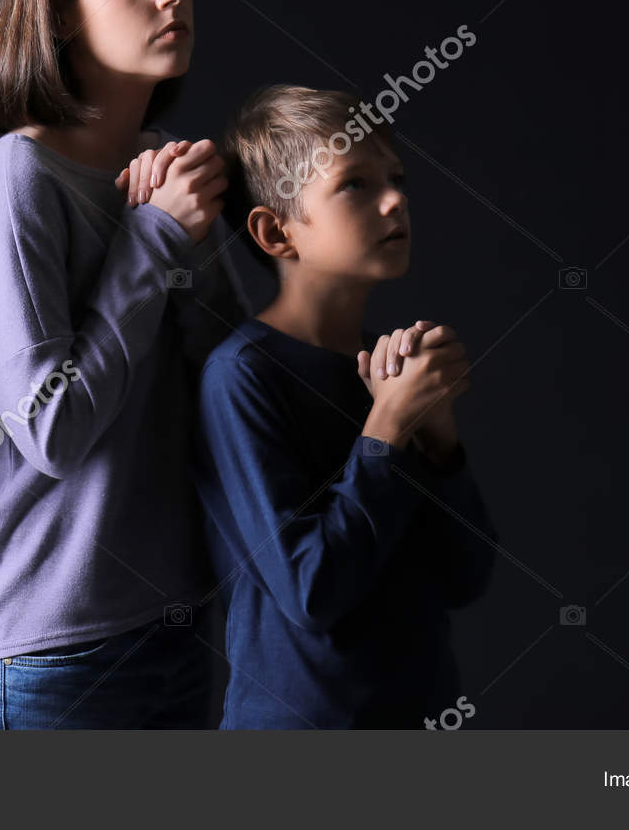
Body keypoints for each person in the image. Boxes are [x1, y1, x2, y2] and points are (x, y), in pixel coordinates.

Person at [0, 0, 248, 729]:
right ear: (60, 8)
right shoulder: (12, 177)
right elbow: (52, 428)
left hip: (173, 631)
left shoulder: (162, 172)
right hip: (40, 661)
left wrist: (198, 236)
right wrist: (152, 240)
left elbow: (224, 388)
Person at [192, 84, 497, 728]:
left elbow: (466, 577)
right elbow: (312, 591)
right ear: (277, 231)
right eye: (355, 185)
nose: (396, 199)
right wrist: (387, 428)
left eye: (396, 177)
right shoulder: (242, 376)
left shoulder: (388, 370)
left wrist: (438, 439)